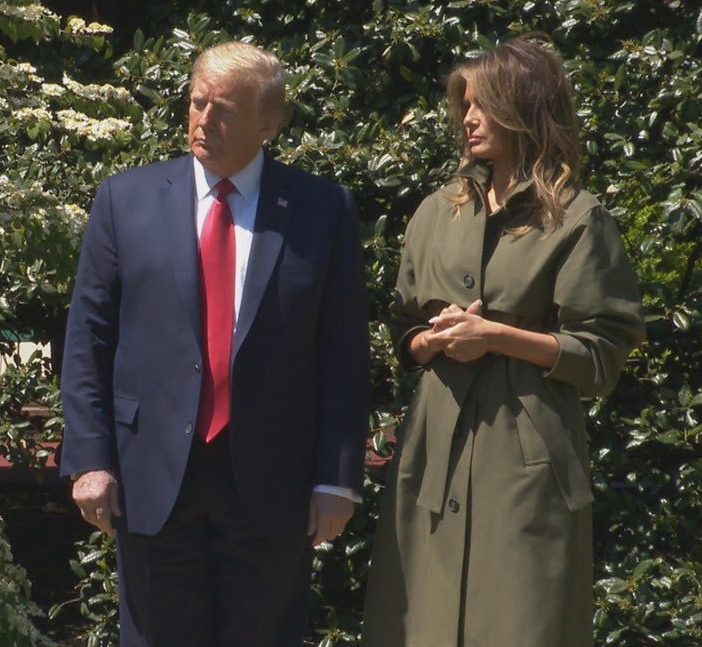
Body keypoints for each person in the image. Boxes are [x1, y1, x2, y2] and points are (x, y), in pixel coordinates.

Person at [60, 41, 371, 646]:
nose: (204, 121)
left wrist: (337, 479)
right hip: (152, 474)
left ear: (268, 123)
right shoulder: (126, 200)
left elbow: (343, 355)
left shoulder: (320, 210)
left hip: (271, 479)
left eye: (224, 110)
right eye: (197, 103)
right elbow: (87, 341)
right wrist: (90, 459)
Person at [361, 36, 645, 646]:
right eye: (463, 104)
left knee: (520, 624)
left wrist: (497, 336)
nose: (467, 118)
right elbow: (402, 326)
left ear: (528, 108)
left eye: (483, 104)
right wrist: (428, 343)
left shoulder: (576, 218)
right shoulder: (437, 211)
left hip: (525, 457)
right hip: (432, 453)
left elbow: (600, 355)